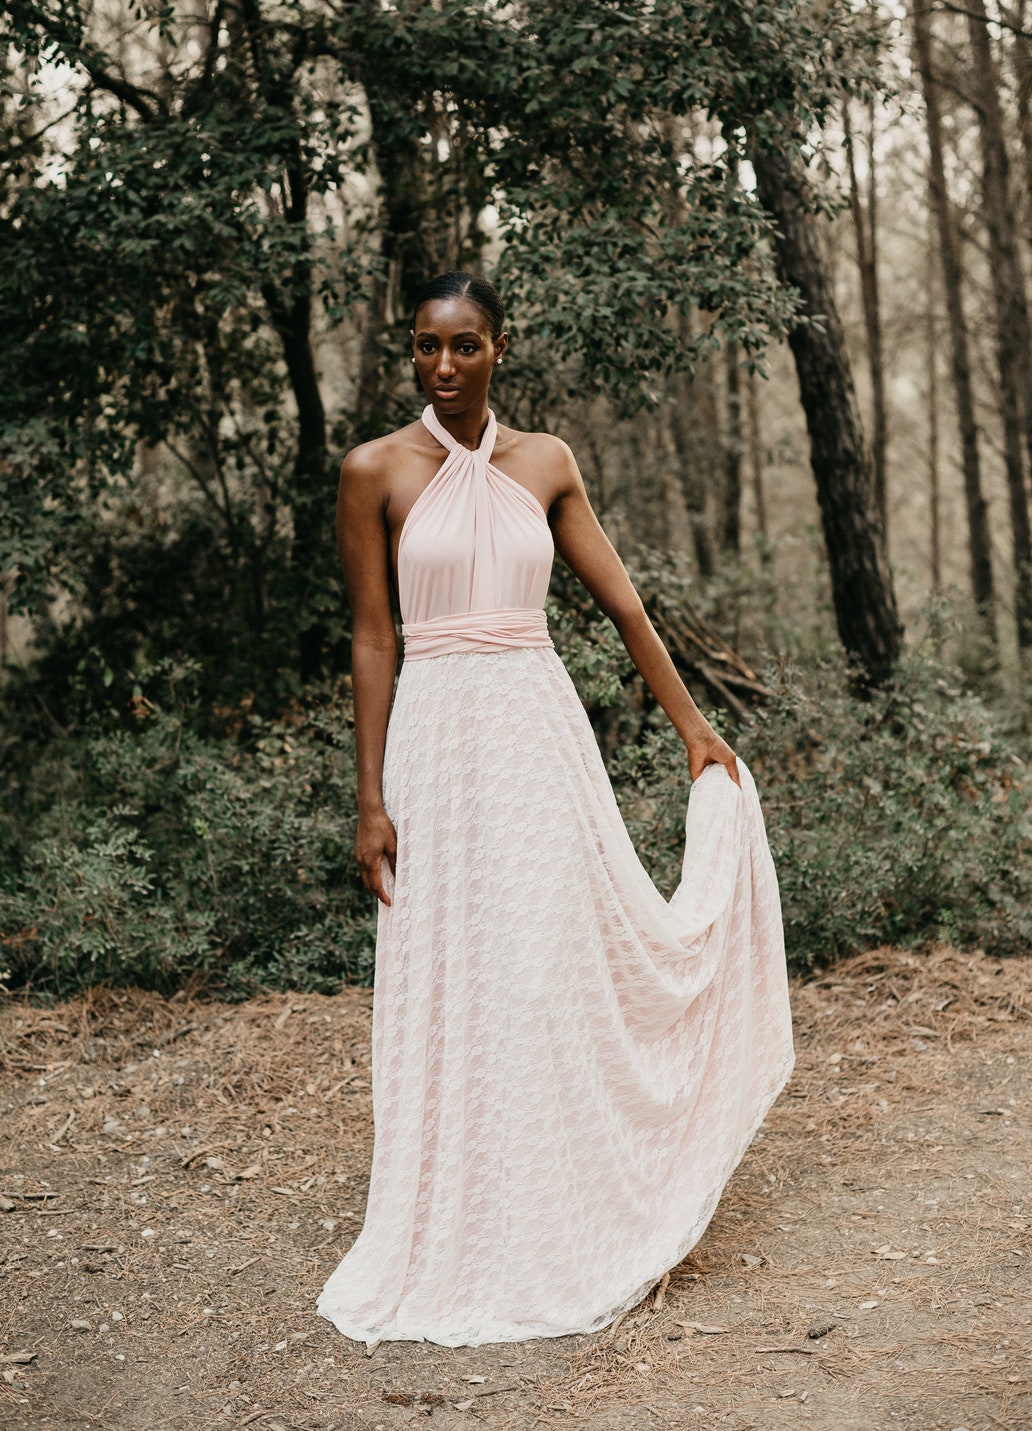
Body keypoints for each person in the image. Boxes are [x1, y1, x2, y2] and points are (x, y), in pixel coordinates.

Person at [317, 271, 794, 1347]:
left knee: (543, 962)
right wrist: (372, 798)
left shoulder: (546, 462)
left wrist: (692, 728)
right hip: (438, 739)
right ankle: (460, 1208)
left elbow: (621, 599)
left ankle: (550, 1206)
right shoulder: (373, 470)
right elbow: (372, 637)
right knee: (454, 962)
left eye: (466, 347)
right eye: (427, 348)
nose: (445, 367)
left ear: (499, 349)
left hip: (535, 733)